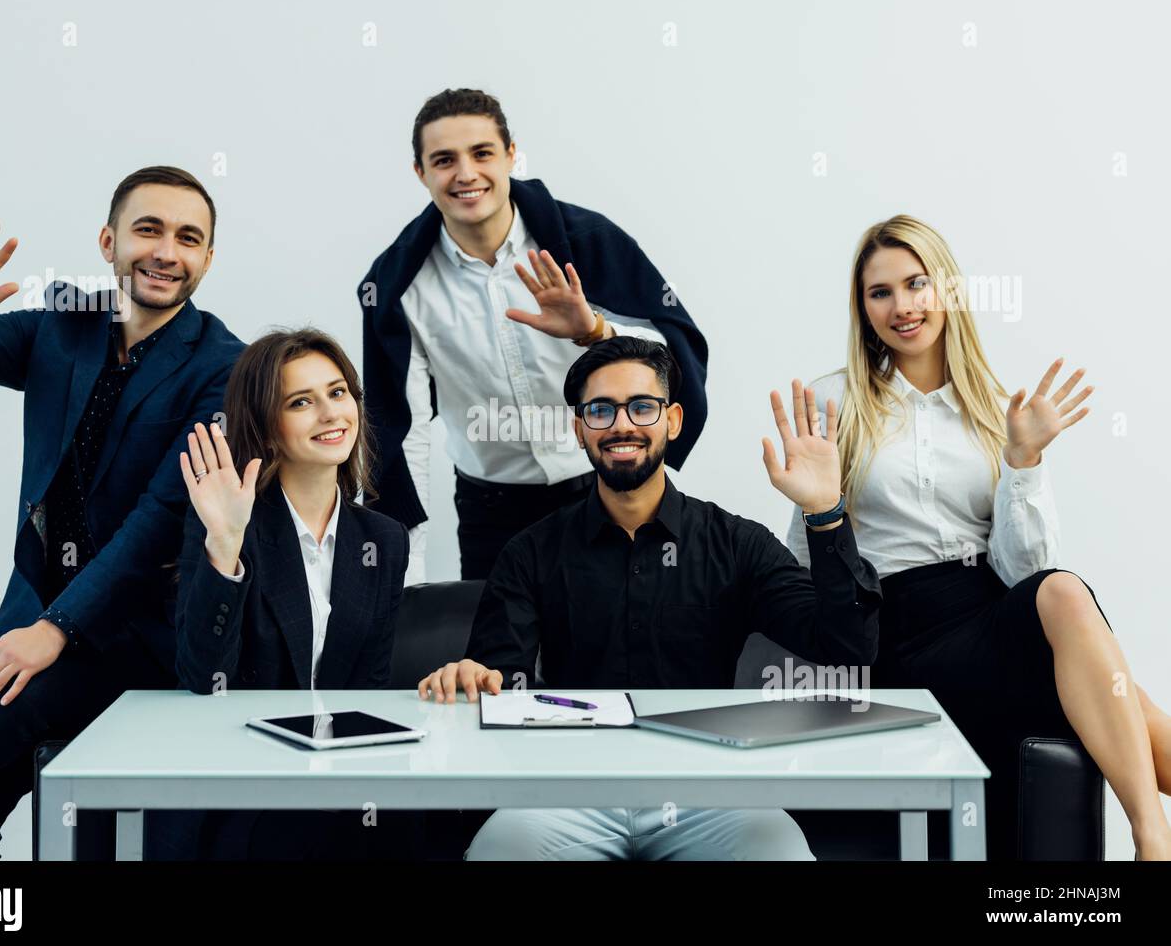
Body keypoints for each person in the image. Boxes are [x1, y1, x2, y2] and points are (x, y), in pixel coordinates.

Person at [0, 166, 244, 859]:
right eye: (148, 229)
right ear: (108, 241)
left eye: (189, 238)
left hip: (138, 630)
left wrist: (60, 627)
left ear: (208, 259)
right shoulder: (65, 327)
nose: (168, 251)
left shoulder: (225, 366)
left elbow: (158, 520)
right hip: (31, 616)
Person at [786, 214, 1171, 860]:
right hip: (899, 628)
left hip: (989, 609)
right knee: (1115, 683)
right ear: (863, 308)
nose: (902, 306)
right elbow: (803, 557)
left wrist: (1023, 460)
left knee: (1068, 600)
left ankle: (1151, 838)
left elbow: (1030, 570)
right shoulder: (834, 401)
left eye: (916, 284)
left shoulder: (997, 406)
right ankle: (1154, 836)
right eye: (881, 292)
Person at [417, 336, 882, 860]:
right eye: (600, 410)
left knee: (781, 852)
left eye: (642, 407)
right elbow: (498, 680)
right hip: (566, 792)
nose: (622, 425)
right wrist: (473, 678)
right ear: (579, 428)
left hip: (710, 791)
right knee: (500, 851)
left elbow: (846, 650)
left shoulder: (734, 543)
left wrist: (825, 514)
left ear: (673, 421)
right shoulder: (531, 551)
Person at [360, 87, 708, 584]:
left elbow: (672, 356)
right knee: (499, 654)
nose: (465, 174)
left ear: (510, 155)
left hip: (605, 484)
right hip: (489, 506)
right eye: (444, 159)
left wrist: (595, 329)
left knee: (627, 644)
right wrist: (403, 573)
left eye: (482, 153)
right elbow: (402, 429)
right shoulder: (397, 287)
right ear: (421, 173)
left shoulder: (587, 241)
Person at [148, 328, 412, 860]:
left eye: (338, 393)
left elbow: (369, 690)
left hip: (341, 786)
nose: (330, 414)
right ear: (267, 427)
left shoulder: (382, 539)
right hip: (241, 786)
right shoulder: (228, 522)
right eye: (301, 402)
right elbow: (203, 681)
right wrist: (224, 547)